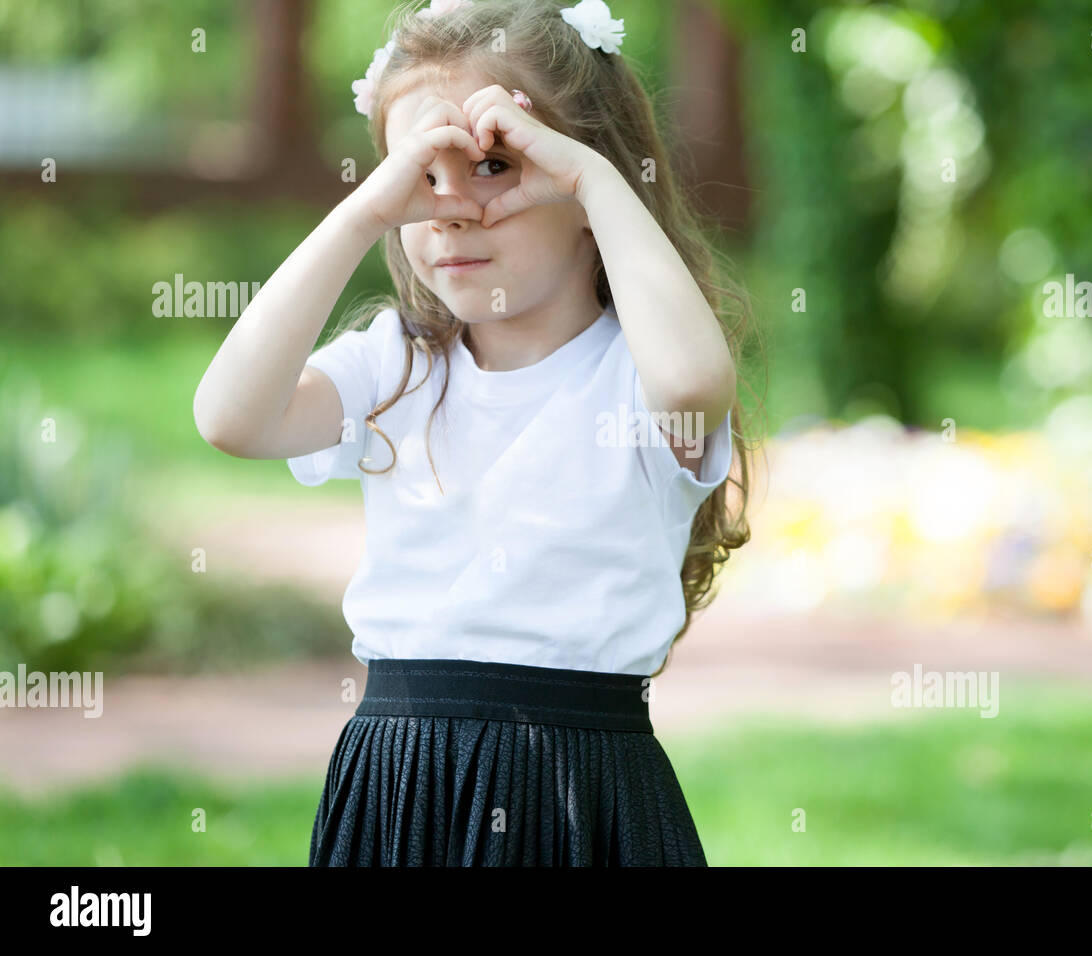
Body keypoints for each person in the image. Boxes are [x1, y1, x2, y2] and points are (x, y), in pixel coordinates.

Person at [193, 0, 758, 866]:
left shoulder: (637, 378)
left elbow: (690, 383)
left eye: (494, 164)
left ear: (576, 175)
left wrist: (597, 182)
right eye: (419, 175)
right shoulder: (396, 368)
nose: (448, 208)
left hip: (581, 793)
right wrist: (362, 214)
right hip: (400, 788)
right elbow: (229, 416)